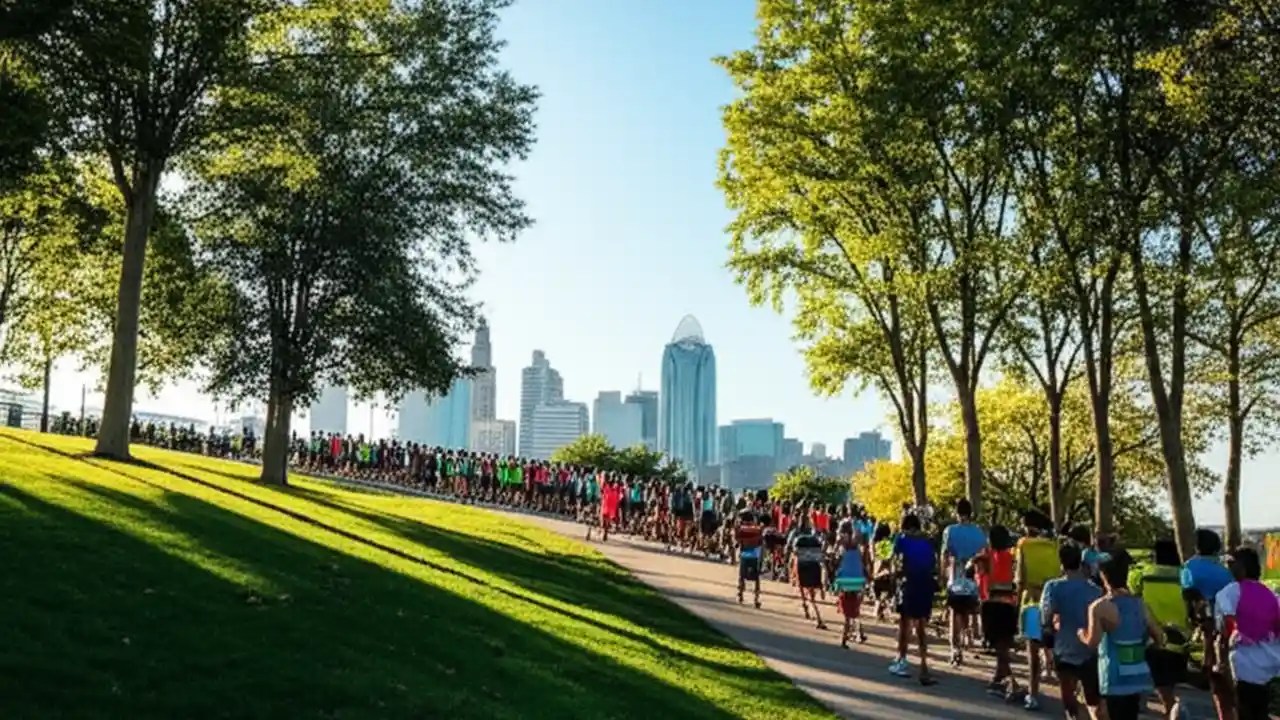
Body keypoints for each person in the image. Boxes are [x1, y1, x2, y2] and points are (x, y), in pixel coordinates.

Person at [1078, 552, 1163, 720]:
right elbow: (1159, 637)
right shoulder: (1139, 604)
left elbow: (1092, 642)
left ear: (1103, 576)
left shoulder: (1099, 607)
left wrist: (1081, 634)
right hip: (1136, 673)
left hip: (1113, 676)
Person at [1215, 546, 1280, 720]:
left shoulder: (1228, 594)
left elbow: (1226, 630)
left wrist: (1221, 663)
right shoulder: (1272, 594)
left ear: (1241, 568)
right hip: (1272, 667)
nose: (1228, 568)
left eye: (1231, 563)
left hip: (1243, 668)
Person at [1041, 542, 1104, 720]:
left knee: (1067, 690)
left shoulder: (1053, 587)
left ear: (1061, 563)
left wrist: (1048, 637)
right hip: (1090, 650)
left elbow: (1046, 616)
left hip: (1063, 647)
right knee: (1093, 700)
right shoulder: (1095, 590)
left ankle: (1072, 716)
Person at [1131, 539, 1190, 719]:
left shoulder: (1144, 575)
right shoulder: (1185, 577)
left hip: (1153, 638)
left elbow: (1133, 594)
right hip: (1181, 639)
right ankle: (1174, 708)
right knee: (1168, 683)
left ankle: (1173, 710)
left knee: (1162, 685)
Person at [1182, 528, 1236, 720]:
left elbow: (1187, 594)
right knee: (1224, 670)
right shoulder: (1225, 571)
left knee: (1213, 670)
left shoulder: (1188, 567)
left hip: (1200, 622)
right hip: (1223, 622)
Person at [1015, 509, 1059, 710]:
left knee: (1032, 649)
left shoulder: (1023, 545)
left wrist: (1018, 597)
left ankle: (1033, 693)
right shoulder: (1054, 546)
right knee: (1055, 645)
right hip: (1053, 600)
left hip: (1031, 599)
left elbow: (1020, 577)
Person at [889, 513, 938, 685]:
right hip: (926, 583)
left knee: (905, 623)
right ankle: (924, 664)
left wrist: (893, 580)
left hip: (909, 582)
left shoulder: (901, 539)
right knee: (921, 625)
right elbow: (933, 563)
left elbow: (896, 562)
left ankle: (902, 660)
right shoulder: (928, 541)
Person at [941, 498, 987, 666]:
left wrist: (942, 574)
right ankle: (966, 639)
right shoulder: (979, 532)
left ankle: (955, 649)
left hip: (956, 575)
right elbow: (984, 554)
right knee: (967, 610)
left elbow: (945, 555)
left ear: (956, 512)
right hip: (972, 578)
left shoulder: (950, 531)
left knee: (955, 612)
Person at [834, 519, 869, 647]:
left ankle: (845, 637)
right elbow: (863, 563)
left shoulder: (842, 548)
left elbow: (837, 562)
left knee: (848, 615)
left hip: (845, 582)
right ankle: (858, 632)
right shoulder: (857, 549)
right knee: (856, 609)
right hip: (857, 581)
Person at [789, 515, 828, 630]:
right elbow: (821, 551)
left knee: (803, 589)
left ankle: (806, 607)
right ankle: (816, 616)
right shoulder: (815, 537)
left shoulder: (796, 535)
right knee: (811, 595)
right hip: (814, 565)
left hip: (801, 565)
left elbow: (794, 552)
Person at [735, 508, 764, 608]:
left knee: (742, 576)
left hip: (744, 555)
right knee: (756, 578)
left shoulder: (741, 529)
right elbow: (760, 542)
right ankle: (756, 598)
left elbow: (738, 541)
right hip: (755, 556)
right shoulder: (757, 529)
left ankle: (740, 594)